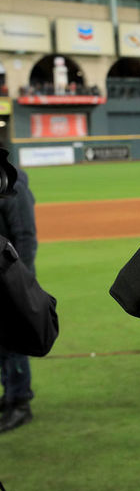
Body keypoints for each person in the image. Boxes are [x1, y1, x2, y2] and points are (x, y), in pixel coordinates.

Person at [0, 164, 41, 433]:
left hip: (11, 278)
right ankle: (10, 395)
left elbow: (25, 236)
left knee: (13, 342)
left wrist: (17, 278)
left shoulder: (12, 184)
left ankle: (20, 403)